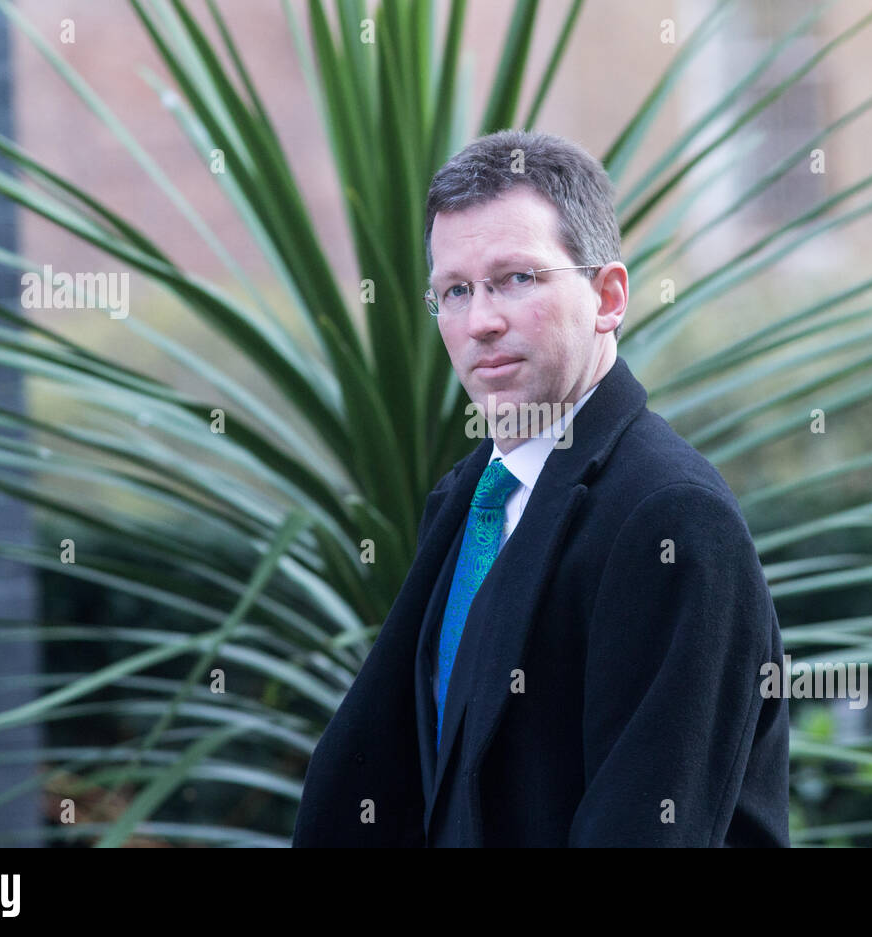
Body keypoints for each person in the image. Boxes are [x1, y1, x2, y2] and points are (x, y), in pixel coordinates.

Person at [292, 129, 788, 847]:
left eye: (516, 278)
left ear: (608, 296)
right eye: (454, 291)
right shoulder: (468, 498)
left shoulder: (671, 517)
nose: (480, 321)